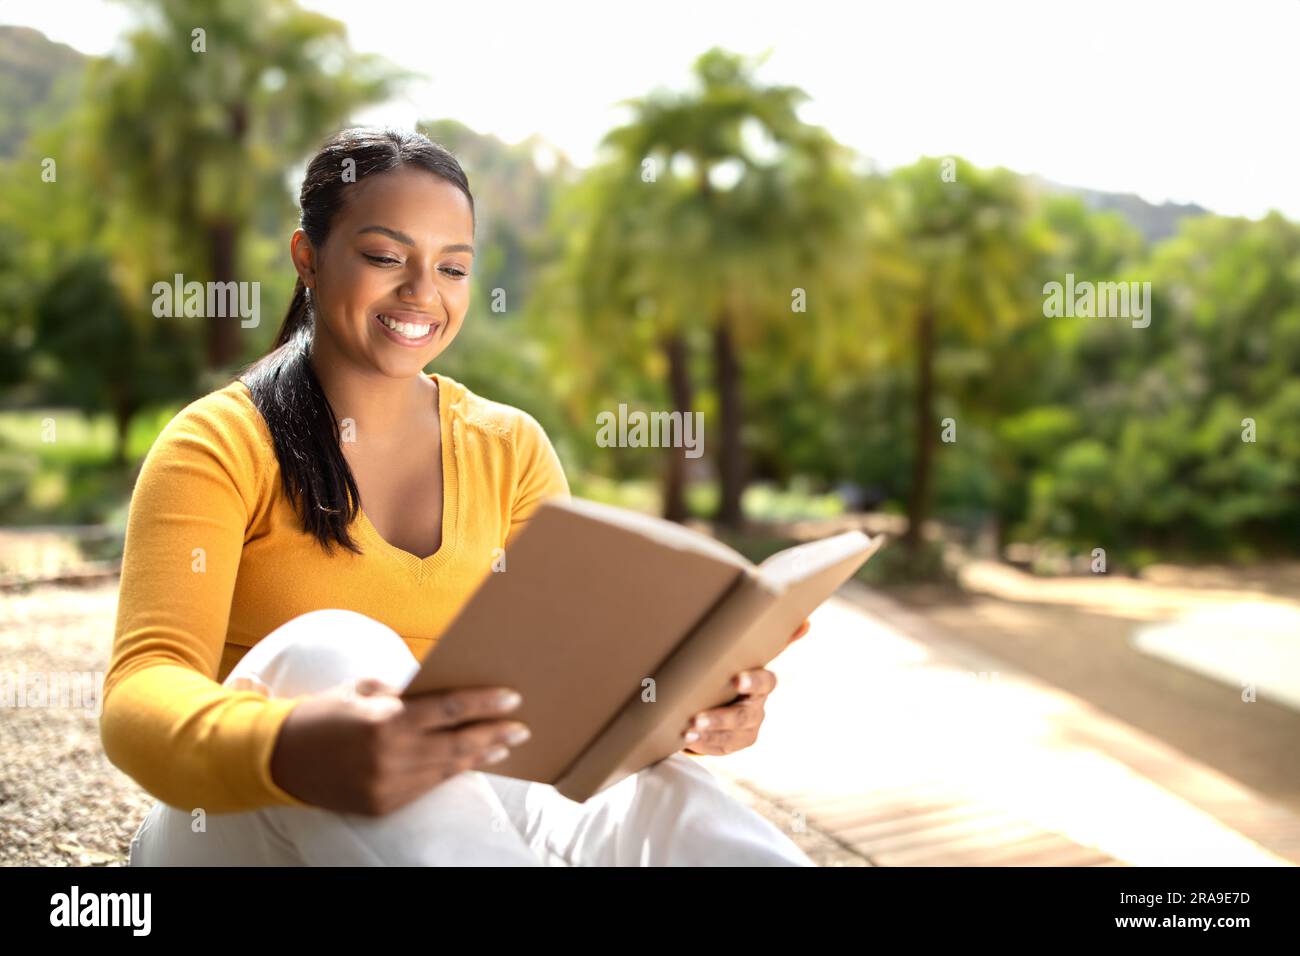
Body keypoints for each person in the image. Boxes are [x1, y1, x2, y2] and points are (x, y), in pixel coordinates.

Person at [101, 126, 814, 866]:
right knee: (334, 649)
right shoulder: (216, 443)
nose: (422, 293)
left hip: (463, 807)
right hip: (241, 829)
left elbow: (566, 682)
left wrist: (686, 706)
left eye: (453, 268)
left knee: (666, 795)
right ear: (307, 259)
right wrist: (293, 747)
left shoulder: (509, 448)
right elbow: (139, 692)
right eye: (385, 257)